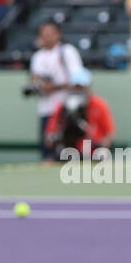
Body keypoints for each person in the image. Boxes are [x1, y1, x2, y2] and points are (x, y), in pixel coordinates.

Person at [27, 19, 84, 159]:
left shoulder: (68, 52)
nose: (46, 37)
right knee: (48, 153)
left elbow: (79, 81)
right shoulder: (37, 57)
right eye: (43, 34)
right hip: (46, 111)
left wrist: (53, 86)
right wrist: (39, 85)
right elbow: (35, 81)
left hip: (67, 112)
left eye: (50, 33)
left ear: (58, 34)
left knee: (69, 153)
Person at [44, 67, 114, 159]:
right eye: (75, 87)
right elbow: (49, 137)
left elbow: (109, 134)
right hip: (68, 155)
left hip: (93, 155)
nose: (78, 90)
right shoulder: (62, 107)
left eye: (81, 87)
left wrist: (99, 144)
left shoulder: (99, 105)